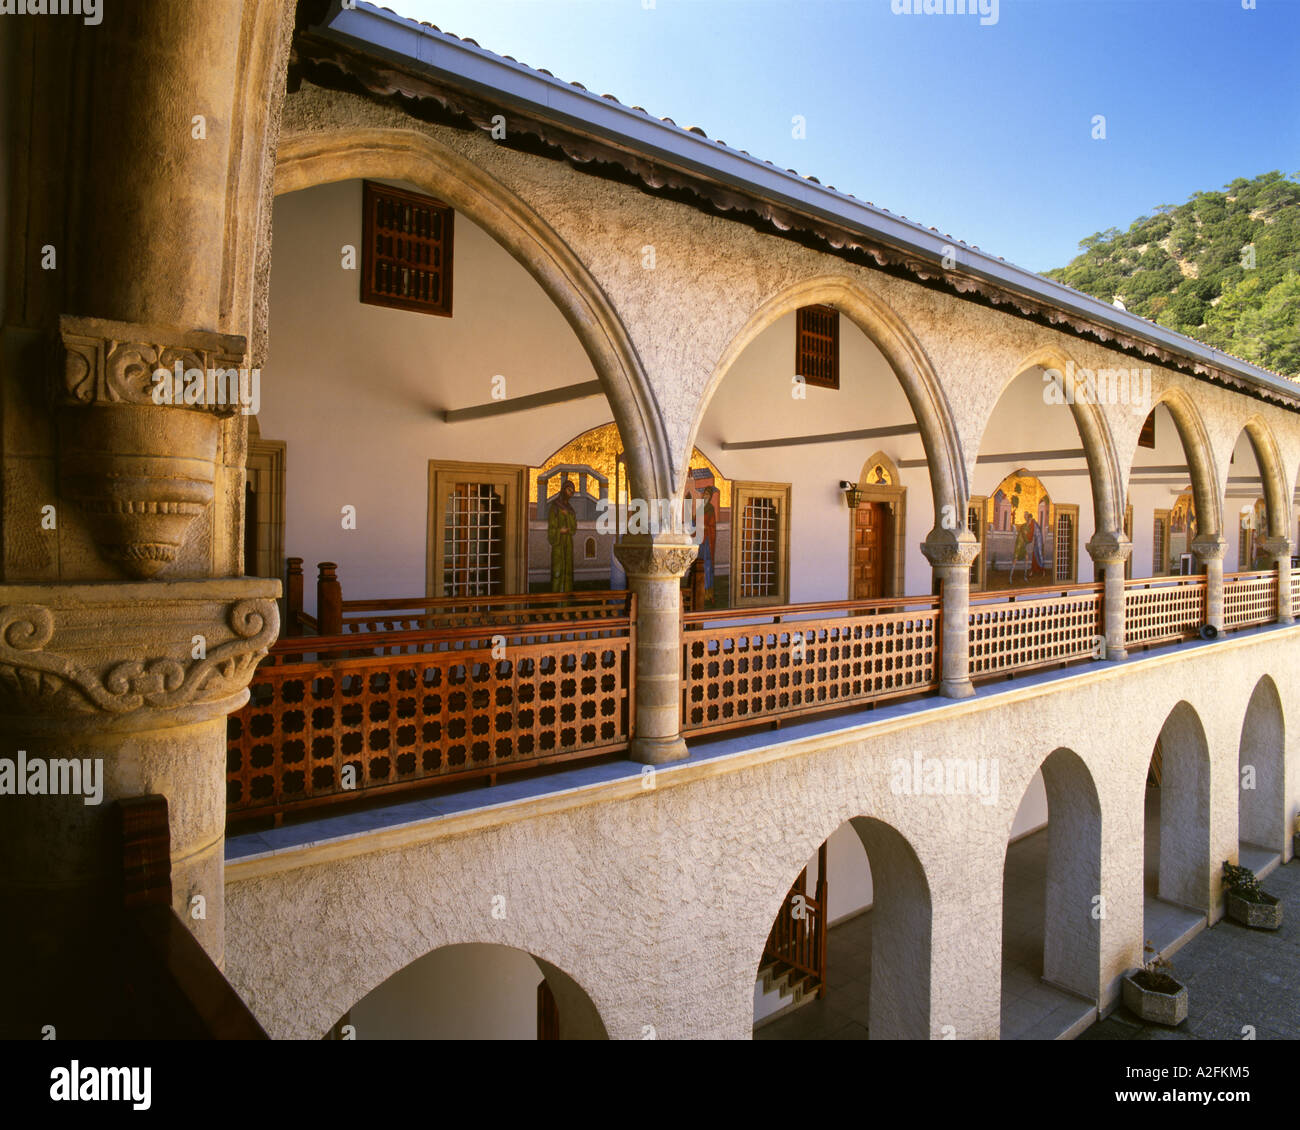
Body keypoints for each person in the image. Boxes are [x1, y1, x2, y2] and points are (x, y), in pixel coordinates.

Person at [548, 480, 577, 592]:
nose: (571, 493)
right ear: (564, 490)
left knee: (568, 572)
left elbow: (574, 528)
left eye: (572, 491)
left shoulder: (570, 509)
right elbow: (551, 527)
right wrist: (559, 530)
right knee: (557, 571)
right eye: (569, 490)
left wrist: (568, 515)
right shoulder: (555, 506)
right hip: (558, 544)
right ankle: (556, 602)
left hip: (568, 543)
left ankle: (567, 602)